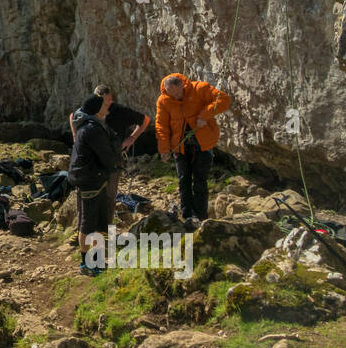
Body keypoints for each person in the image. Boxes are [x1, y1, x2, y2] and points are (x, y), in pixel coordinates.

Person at [155, 73, 232, 224]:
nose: (177, 97)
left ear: (182, 86)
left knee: (200, 180)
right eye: (173, 95)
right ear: (166, 92)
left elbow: (223, 99)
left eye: (178, 93)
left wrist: (205, 115)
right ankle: (186, 215)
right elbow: (161, 125)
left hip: (202, 143)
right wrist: (164, 149)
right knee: (183, 180)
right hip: (180, 146)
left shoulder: (199, 88)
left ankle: (200, 216)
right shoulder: (163, 101)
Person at [71, 84, 151, 223]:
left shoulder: (119, 110)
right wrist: (75, 136)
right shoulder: (91, 110)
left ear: (111, 99)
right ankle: (82, 229)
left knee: (109, 195)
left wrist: (131, 138)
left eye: (107, 101)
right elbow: (73, 116)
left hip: (113, 158)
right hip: (91, 160)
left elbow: (145, 120)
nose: (105, 105)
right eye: (102, 102)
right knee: (84, 194)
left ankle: (106, 230)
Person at [69, 94, 120, 275]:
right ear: (97, 109)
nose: (108, 106)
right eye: (104, 104)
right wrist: (116, 144)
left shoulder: (90, 126)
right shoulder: (93, 130)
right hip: (90, 179)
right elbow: (106, 157)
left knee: (99, 220)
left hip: (92, 177)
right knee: (88, 222)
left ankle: (97, 260)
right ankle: (85, 264)